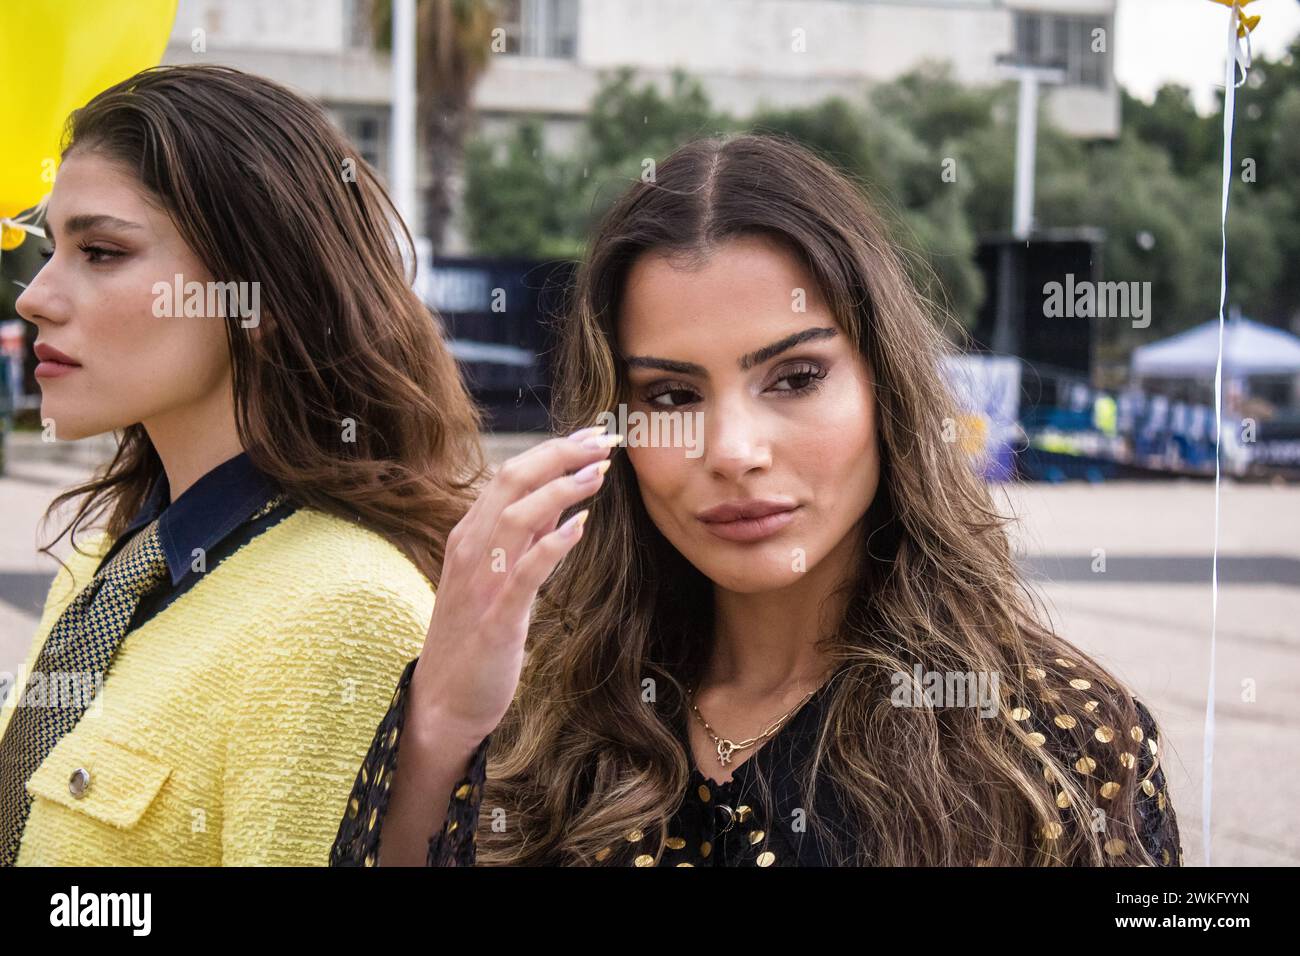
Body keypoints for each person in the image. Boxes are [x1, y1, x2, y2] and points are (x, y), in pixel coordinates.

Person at [331, 133, 1182, 867]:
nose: (733, 452)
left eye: (796, 377)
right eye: (670, 396)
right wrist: (442, 724)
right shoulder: (537, 716)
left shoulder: (1054, 742)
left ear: (885, 387)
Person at [0, 64, 485, 866]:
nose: (35, 296)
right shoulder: (106, 559)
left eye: (102, 252)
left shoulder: (341, 609)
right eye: (53, 249)